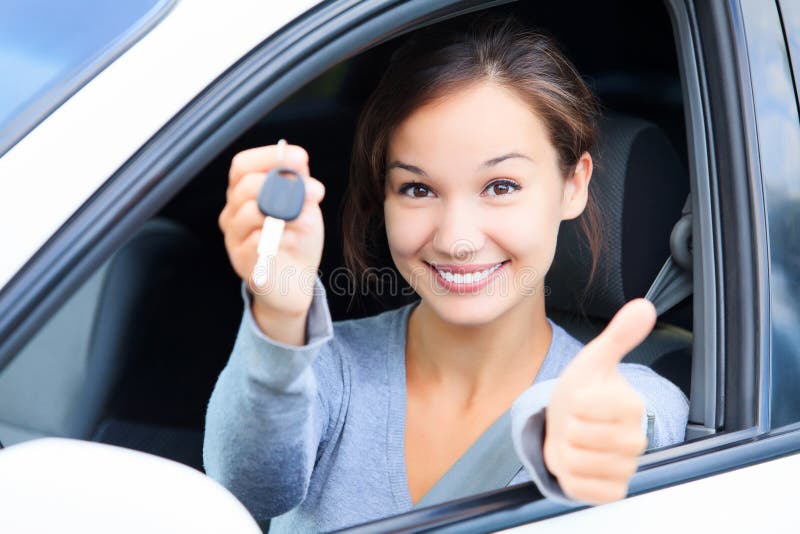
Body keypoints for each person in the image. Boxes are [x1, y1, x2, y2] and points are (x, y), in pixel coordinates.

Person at [203, 14, 689, 532]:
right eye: (418, 189)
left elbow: (642, 415)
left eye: (500, 186)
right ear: (384, 199)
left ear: (574, 185)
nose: (457, 240)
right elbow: (246, 486)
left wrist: (594, 429)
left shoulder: (623, 390)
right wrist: (280, 313)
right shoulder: (324, 371)